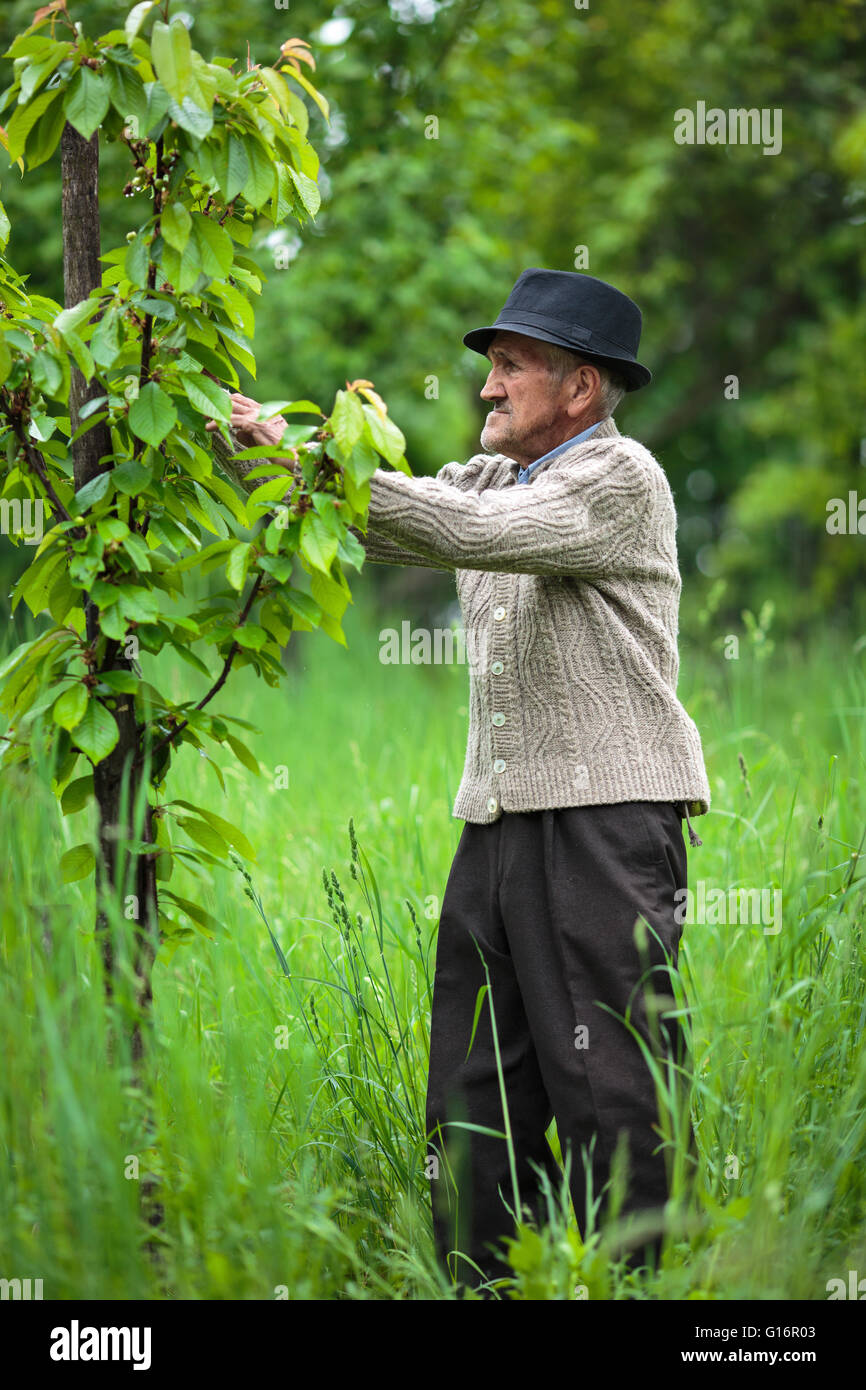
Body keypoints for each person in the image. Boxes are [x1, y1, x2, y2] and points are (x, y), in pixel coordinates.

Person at [208, 268, 711, 1292]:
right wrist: (238, 448)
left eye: (511, 368)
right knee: (474, 1083)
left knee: (609, 1081)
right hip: (497, 821)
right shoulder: (494, 479)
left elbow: (468, 536)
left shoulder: (619, 479)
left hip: (604, 821)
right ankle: (478, 1283)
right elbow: (401, 516)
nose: (486, 388)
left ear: (579, 390)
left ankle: (637, 1284)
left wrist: (297, 452)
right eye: (490, 367)